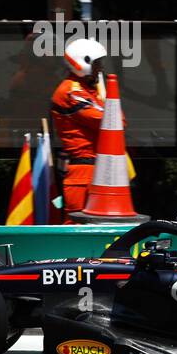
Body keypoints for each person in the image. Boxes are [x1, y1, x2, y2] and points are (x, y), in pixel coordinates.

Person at [50, 37, 110, 220]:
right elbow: (110, 121)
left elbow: (117, 120)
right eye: (97, 63)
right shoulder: (71, 91)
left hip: (97, 169)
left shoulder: (88, 90)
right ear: (83, 62)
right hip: (83, 172)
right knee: (77, 227)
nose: (100, 68)